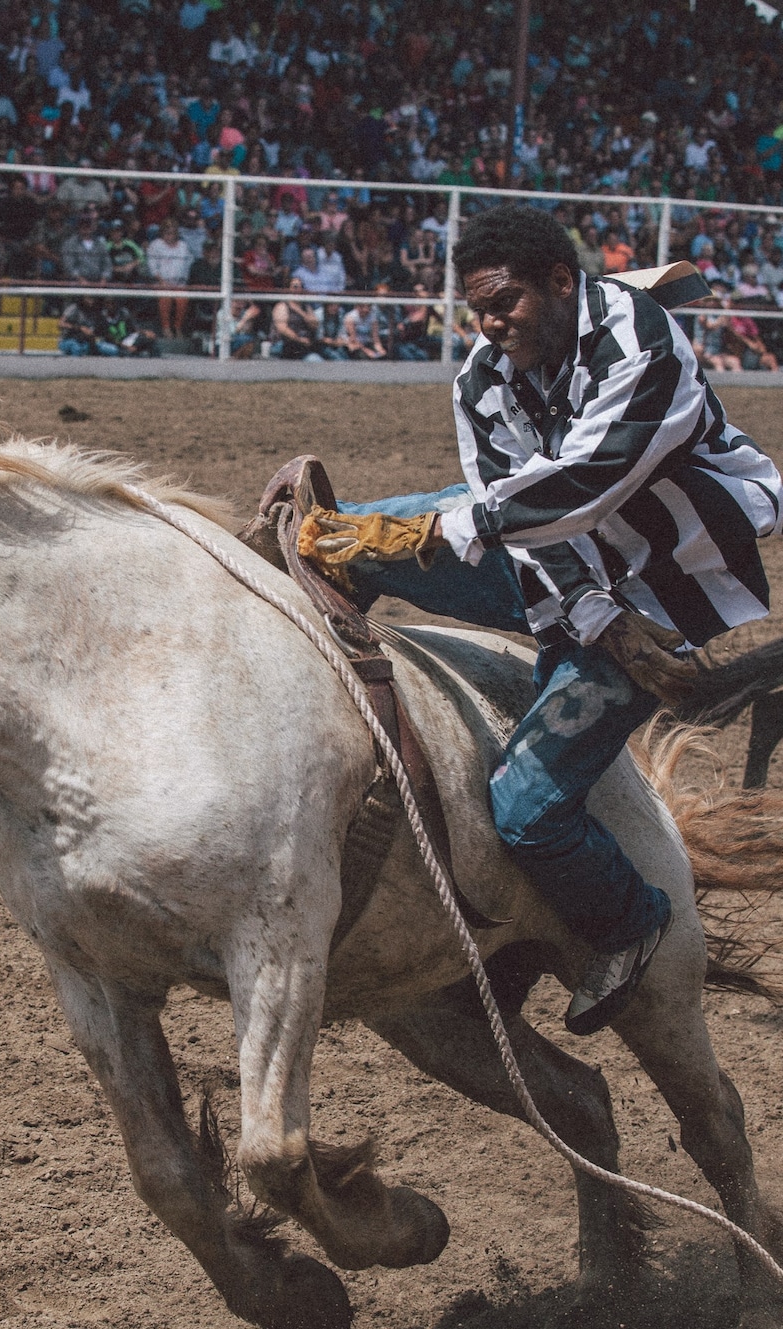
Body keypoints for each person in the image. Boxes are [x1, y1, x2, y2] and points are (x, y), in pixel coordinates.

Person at [299, 204, 783, 1036]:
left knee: (526, 808)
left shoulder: (642, 340)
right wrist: (589, 613)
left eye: (506, 302)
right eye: (478, 307)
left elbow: (592, 473)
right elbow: (522, 509)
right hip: (566, 576)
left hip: (664, 589)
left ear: (563, 282)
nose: (489, 324)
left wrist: (454, 531)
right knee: (342, 543)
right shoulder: (483, 378)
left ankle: (632, 927)